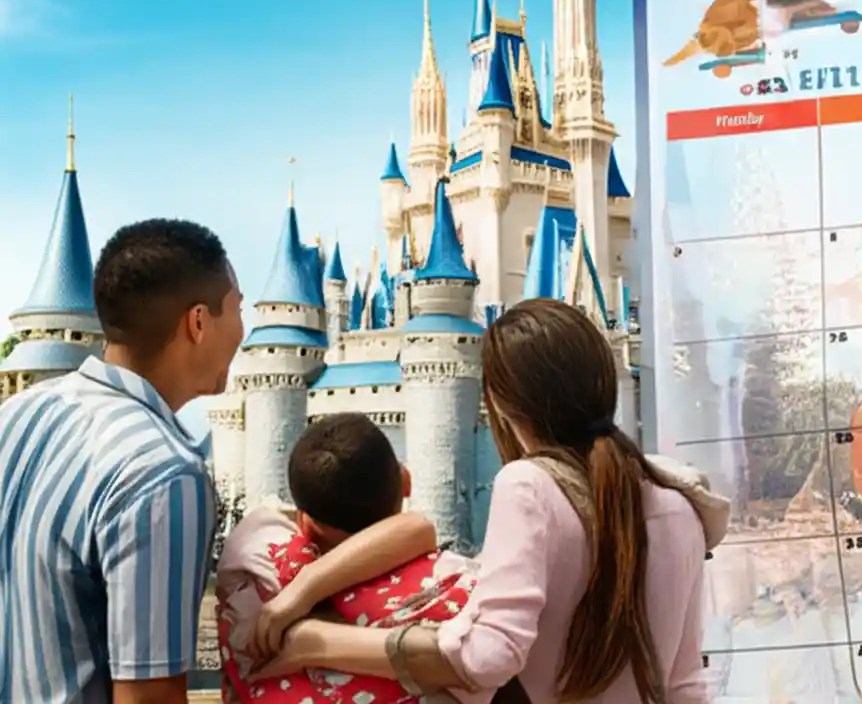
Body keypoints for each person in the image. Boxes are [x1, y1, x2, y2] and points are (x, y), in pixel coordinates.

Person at [252, 298, 728, 703]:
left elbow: (489, 655)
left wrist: (316, 641)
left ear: (499, 402)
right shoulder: (680, 506)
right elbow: (685, 683)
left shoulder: (529, 486)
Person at [0, 219, 242, 702]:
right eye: (237, 309)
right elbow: (148, 695)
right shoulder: (164, 472)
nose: (242, 329)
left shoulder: (16, 415)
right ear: (198, 322)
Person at [217, 413, 476, 704]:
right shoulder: (461, 588)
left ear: (306, 524)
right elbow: (418, 528)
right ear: (406, 482)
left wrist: (306, 589)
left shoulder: (258, 576)